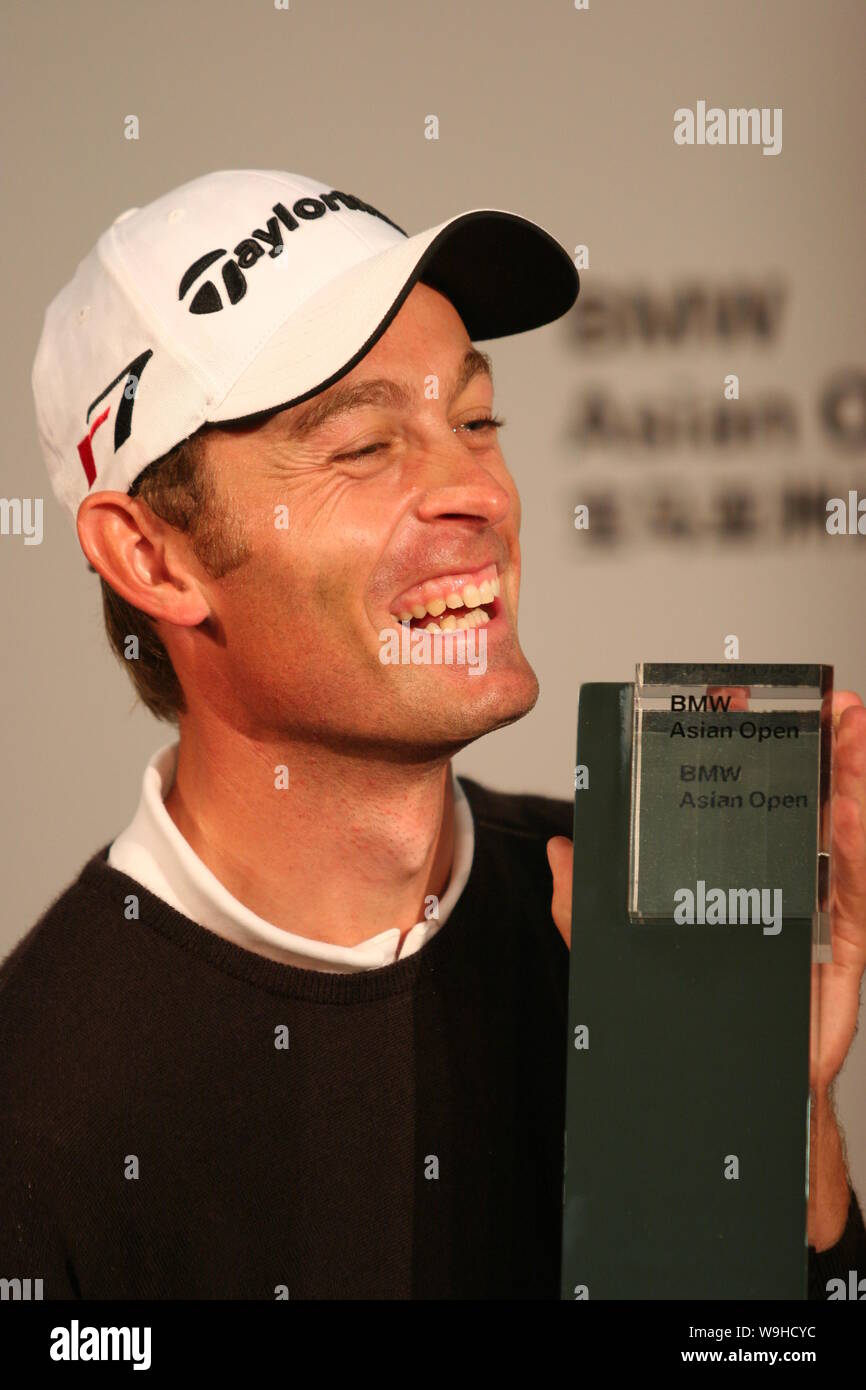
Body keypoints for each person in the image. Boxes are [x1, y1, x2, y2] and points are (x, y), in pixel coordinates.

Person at [2, 170, 864, 1299]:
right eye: (363, 447)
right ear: (152, 557)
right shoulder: (37, 1116)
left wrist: (767, 1144)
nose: (478, 493)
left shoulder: (629, 932)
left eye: (473, 419)